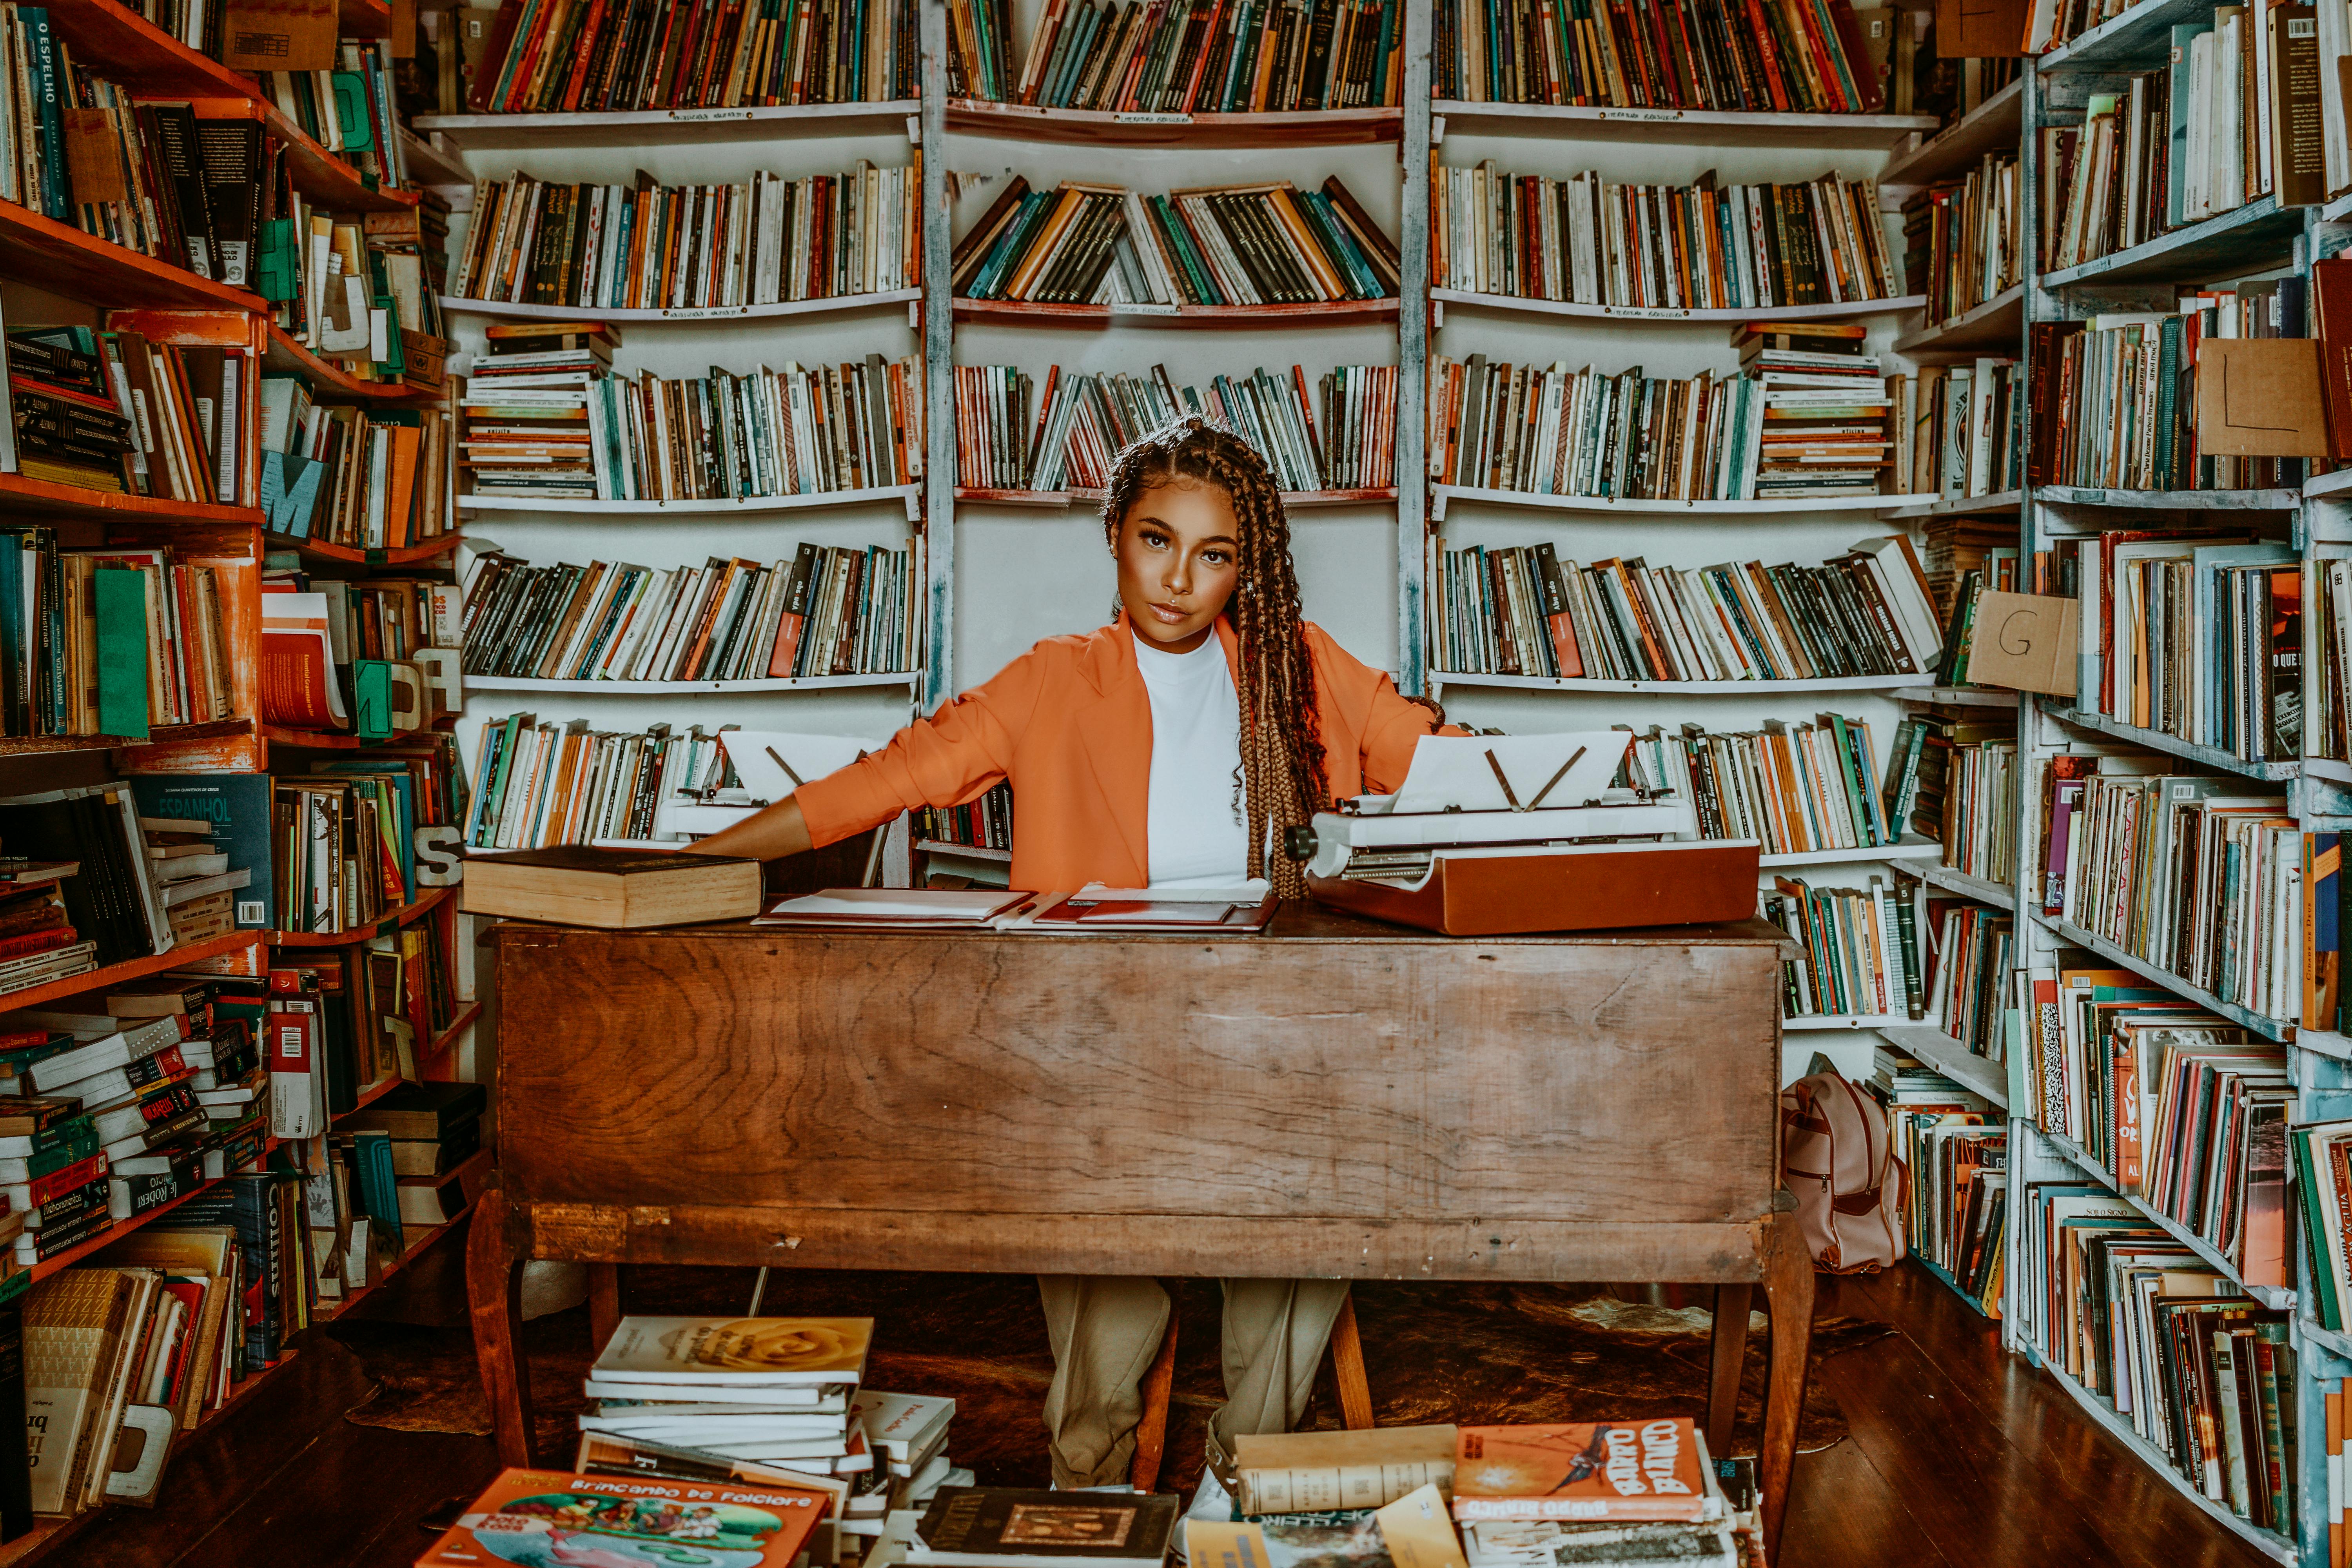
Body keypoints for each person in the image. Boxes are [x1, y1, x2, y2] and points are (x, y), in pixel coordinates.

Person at [687, 416, 1455, 1490]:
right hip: (1097, 1047)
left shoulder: (1303, 667)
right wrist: (689, 866)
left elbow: (1453, 774)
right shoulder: (1055, 679)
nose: (1180, 579)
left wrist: (1590, 810)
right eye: (1156, 539)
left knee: (1314, 1200)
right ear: (1114, 538)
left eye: (1215, 553)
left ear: (1250, 565)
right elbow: (888, 780)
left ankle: (1247, 1478)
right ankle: (1086, 1482)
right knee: (1097, 1241)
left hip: (1273, 1041)